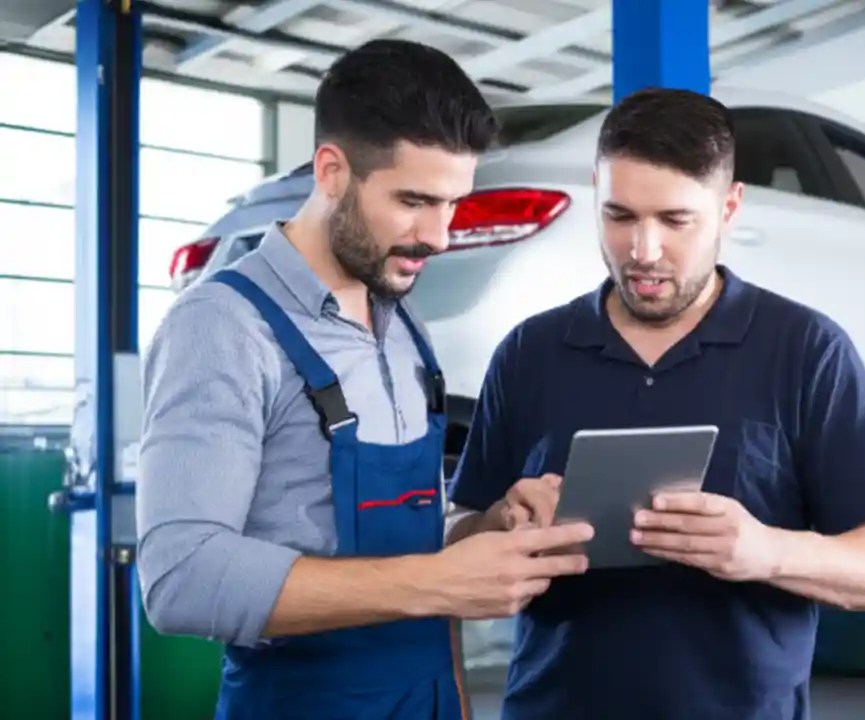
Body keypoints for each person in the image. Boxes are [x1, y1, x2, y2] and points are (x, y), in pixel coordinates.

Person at [135, 39, 594, 720]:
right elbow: (181, 579)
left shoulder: (406, 328)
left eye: (453, 204)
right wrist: (437, 582)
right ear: (331, 171)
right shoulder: (223, 327)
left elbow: (395, 541)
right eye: (413, 200)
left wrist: (486, 529)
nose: (439, 235)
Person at [445, 88, 865, 719]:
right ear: (596, 193)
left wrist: (763, 551)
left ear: (730, 207)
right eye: (620, 216)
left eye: (676, 221)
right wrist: (501, 521)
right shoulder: (529, 352)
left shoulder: (807, 351)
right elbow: (455, 543)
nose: (644, 251)